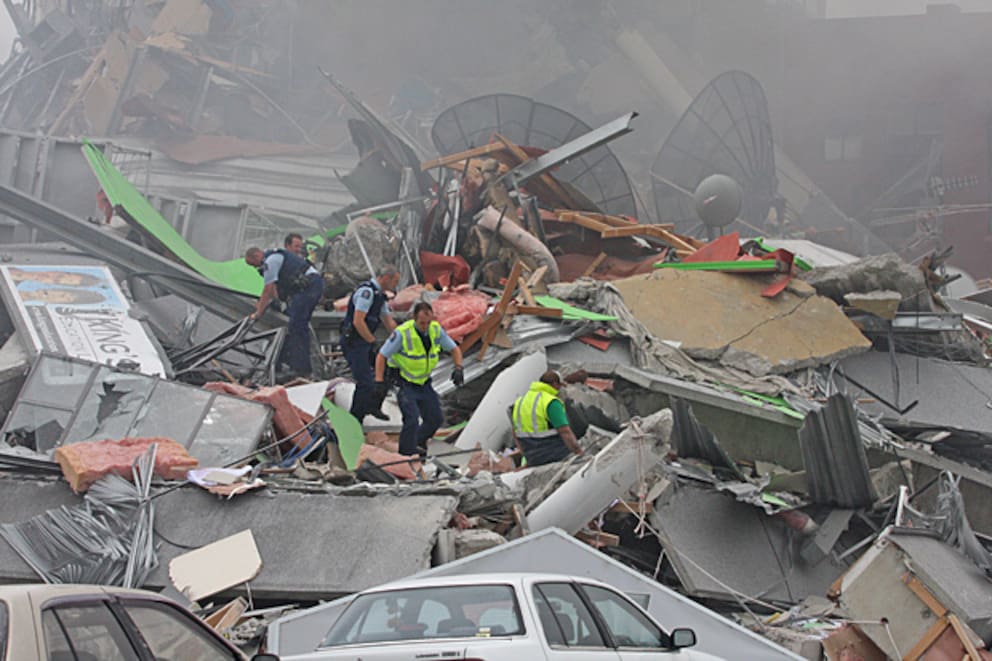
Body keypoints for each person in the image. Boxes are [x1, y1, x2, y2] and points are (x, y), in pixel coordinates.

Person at [375, 302, 463, 456]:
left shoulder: (435, 330)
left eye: (428, 322)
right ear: (414, 319)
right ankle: (405, 454)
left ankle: (418, 442)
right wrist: (379, 381)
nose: (425, 326)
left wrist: (458, 368)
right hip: (404, 381)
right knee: (411, 420)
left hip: (423, 382)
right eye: (422, 323)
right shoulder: (403, 333)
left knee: (435, 418)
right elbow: (382, 356)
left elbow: (454, 349)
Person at [244, 245, 324, 377]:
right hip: (308, 286)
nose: (256, 268)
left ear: (257, 256)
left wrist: (258, 312)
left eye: (254, 265)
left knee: (297, 325)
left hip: (309, 286)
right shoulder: (276, 258)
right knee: (293, 324)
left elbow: (268, 289)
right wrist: (278, 302)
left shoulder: (271, 261)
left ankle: (301, 368)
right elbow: (275, 288)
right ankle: (287, 362)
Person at [341, 266, 400, 421]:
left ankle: (373, 406)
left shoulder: (379, 296)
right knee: (365, 382)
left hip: (365, 342)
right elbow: (358, 321)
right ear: (386, 277)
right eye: (395, 281)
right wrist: (372, 341)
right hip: (354, 343)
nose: (395, 285)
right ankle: (355, 419)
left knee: (387, 370)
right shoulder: (366, 293)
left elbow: (388, 322)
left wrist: (402, 338)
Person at [511, 369, 583, 466]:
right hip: (553, 453)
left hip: (532, 455)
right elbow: (565, 432)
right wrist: (579, 452)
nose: (560, 389)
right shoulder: (551, 402)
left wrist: (527, 456)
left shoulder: (520, 401)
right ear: (554, 384)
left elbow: (515, 433)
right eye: (560, 386)